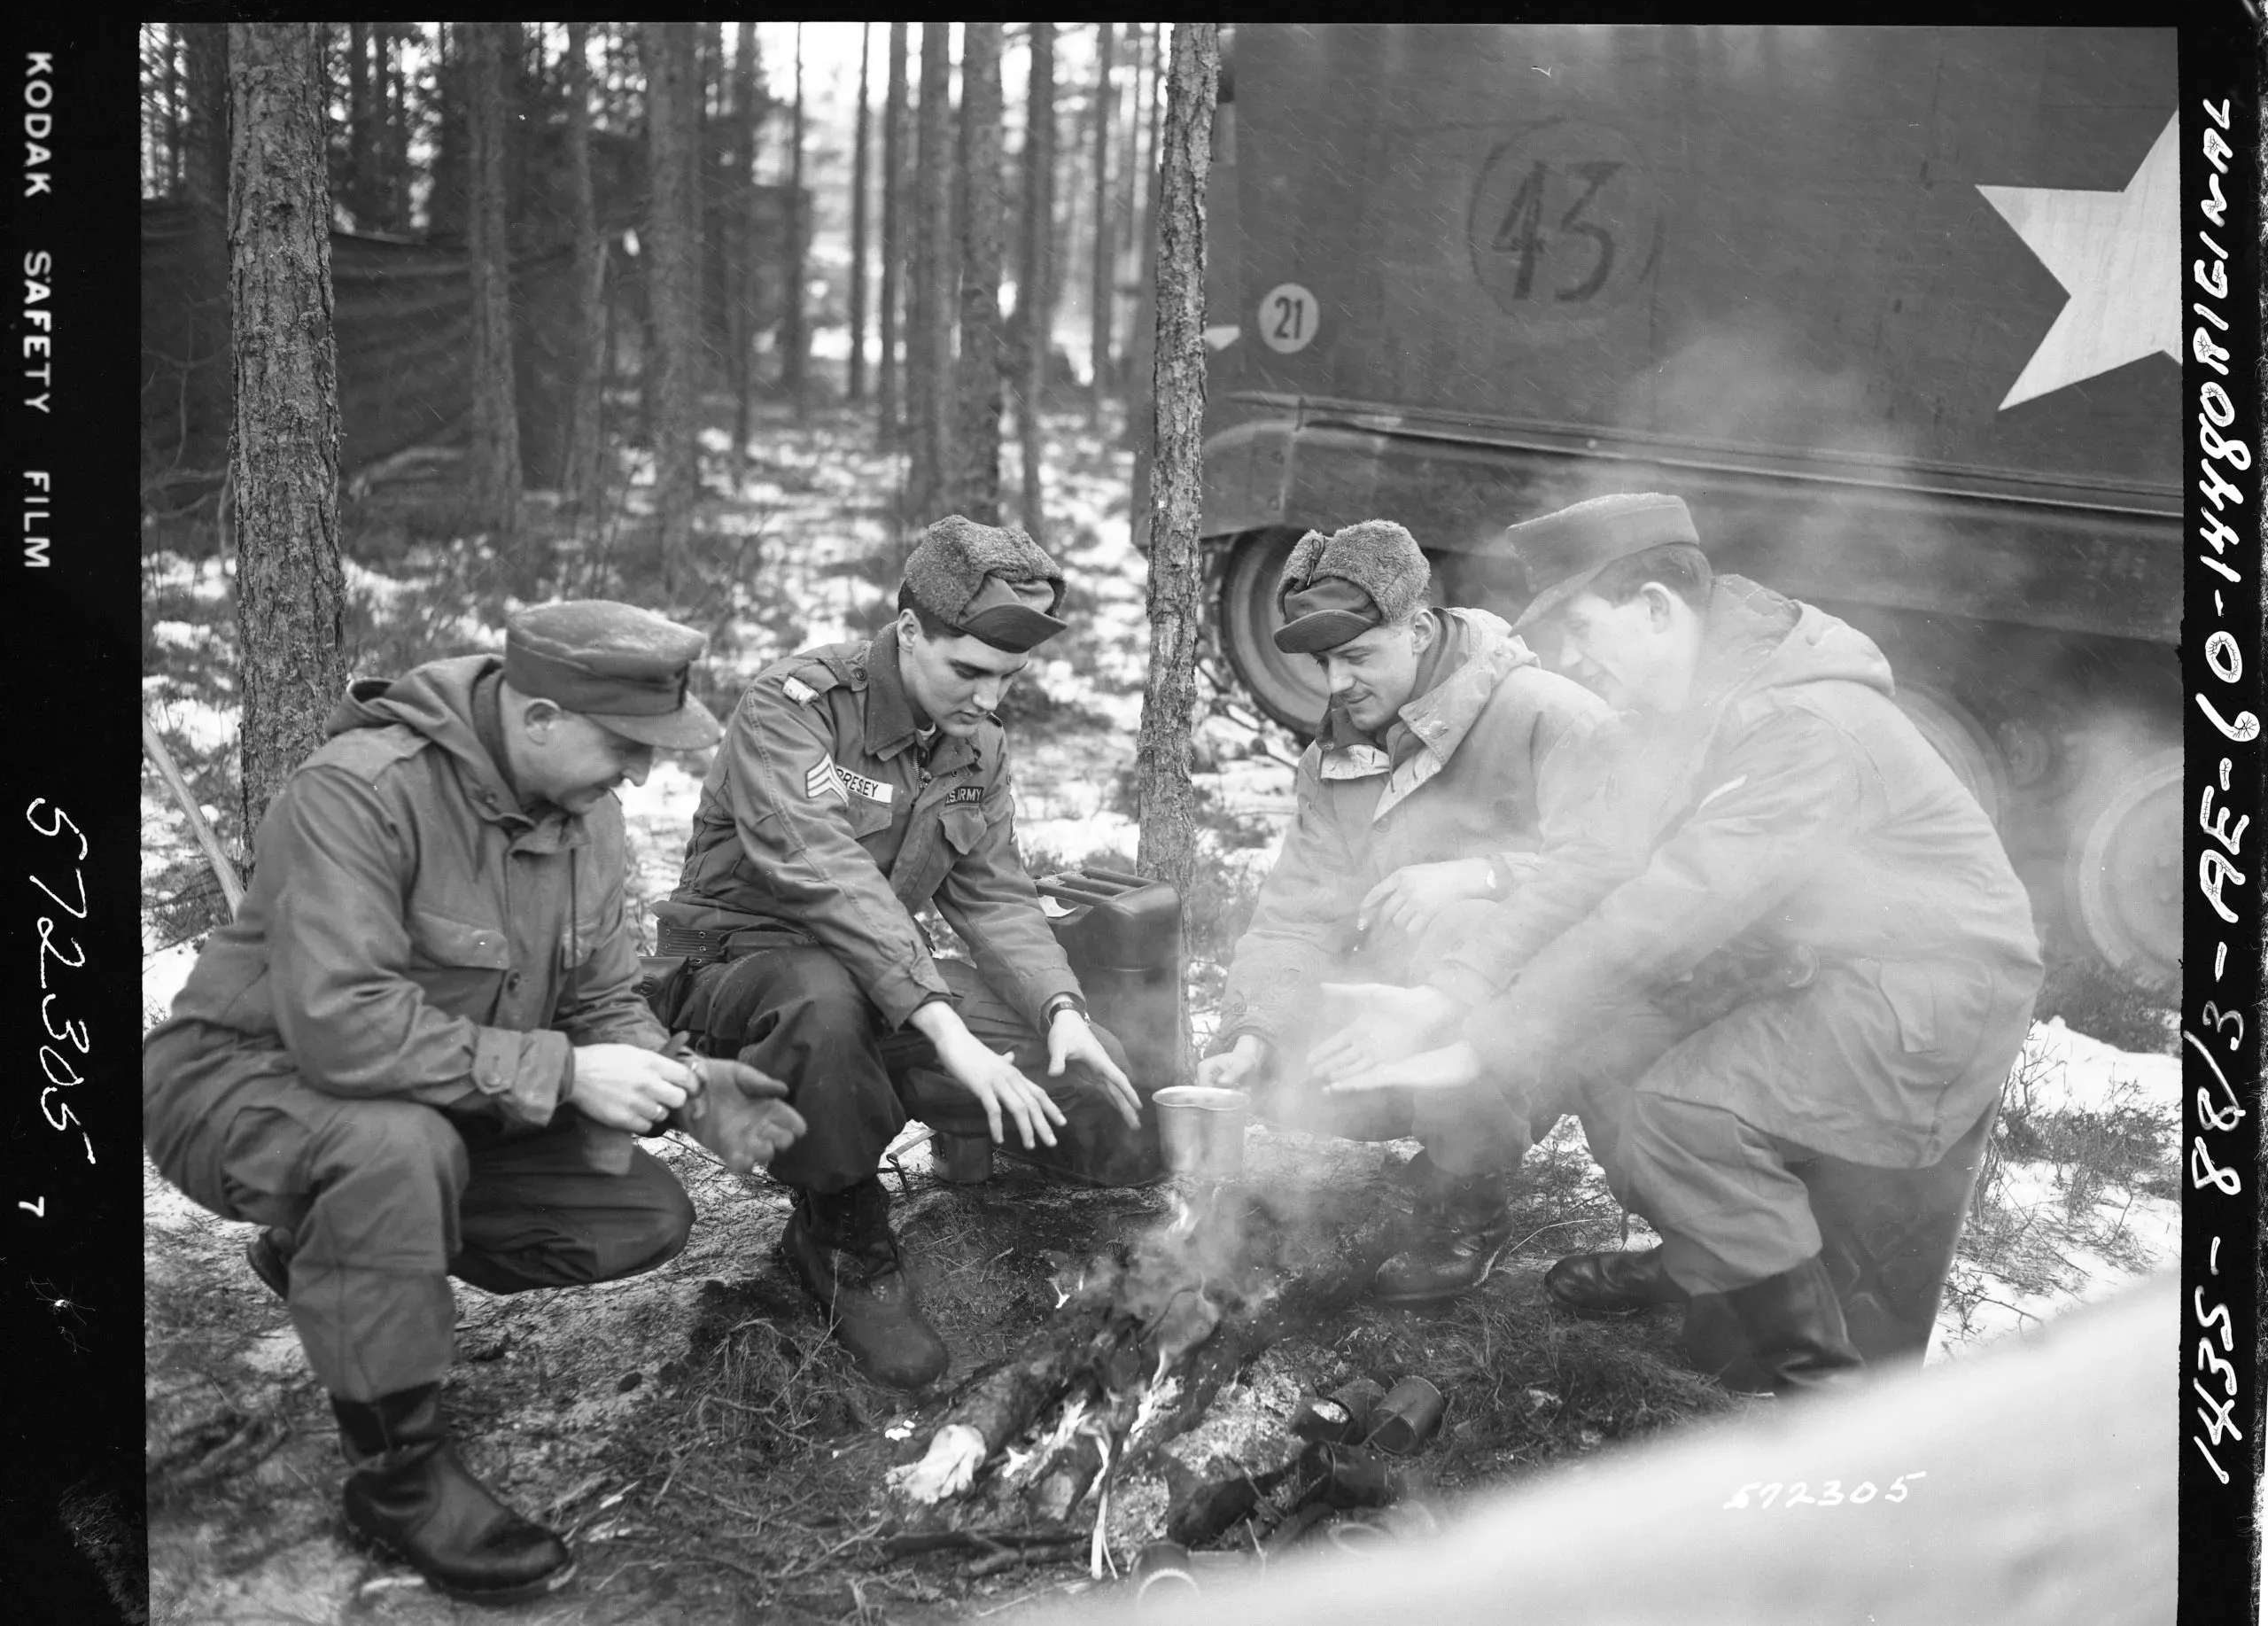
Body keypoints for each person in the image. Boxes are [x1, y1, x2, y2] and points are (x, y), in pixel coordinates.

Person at [144, 603, 804, 1606]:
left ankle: (334, 1259)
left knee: (638, 1212)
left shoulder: (590, 818)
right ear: (538, 717)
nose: (638, 772)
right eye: (624, 744)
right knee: (389, 1149)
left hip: (435, 1096)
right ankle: (399, 1477)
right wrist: (572, 1075)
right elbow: (342, 1023)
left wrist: (676, 1081)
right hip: (240, 1084)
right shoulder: (359, 792)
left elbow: (602, 998)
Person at [1319, 494, 2043, 1396]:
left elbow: (1665, 913)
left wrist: (1488, 1038)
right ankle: (1702, 1254)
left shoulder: (1799, 727)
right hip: (1799, 949)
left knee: (1680, 1112)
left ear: (1657, 608)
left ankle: (1820, 1389)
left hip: (1924, 984)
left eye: (1581, 630)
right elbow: (1591, 870)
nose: (1568, 660)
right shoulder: (1679, 711)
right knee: (1600, 1045)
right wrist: (1449, 993)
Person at [655, 516, 1147, 1391]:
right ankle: (839, 1229)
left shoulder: (974, 742)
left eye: (1008, 677)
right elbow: (824, 872)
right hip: (738, 980)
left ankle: (980, 1148)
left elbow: (995, 891)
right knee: (827, 1004)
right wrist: (945, 1029)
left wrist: (1060, 1010)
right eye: (969, 672)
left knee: (1046, 1033)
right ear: (910, 631)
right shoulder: (792, 706)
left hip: (880, 978)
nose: (989, 701)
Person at [1192, 519, 1613, 1303]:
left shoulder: (1553, 716)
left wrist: (1483, 875)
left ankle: (1470, 1196)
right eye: (1323, 662)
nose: (1335, 686)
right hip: (1413, 1001)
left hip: (1543, 1017)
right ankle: (1438, 1135)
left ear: (1418, 629)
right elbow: (1297, 914)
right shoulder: (1336, 754)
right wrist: (1252, 1036)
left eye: (1356, 656)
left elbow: (1622, 877)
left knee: (1454, 927)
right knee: (1283, 1054)